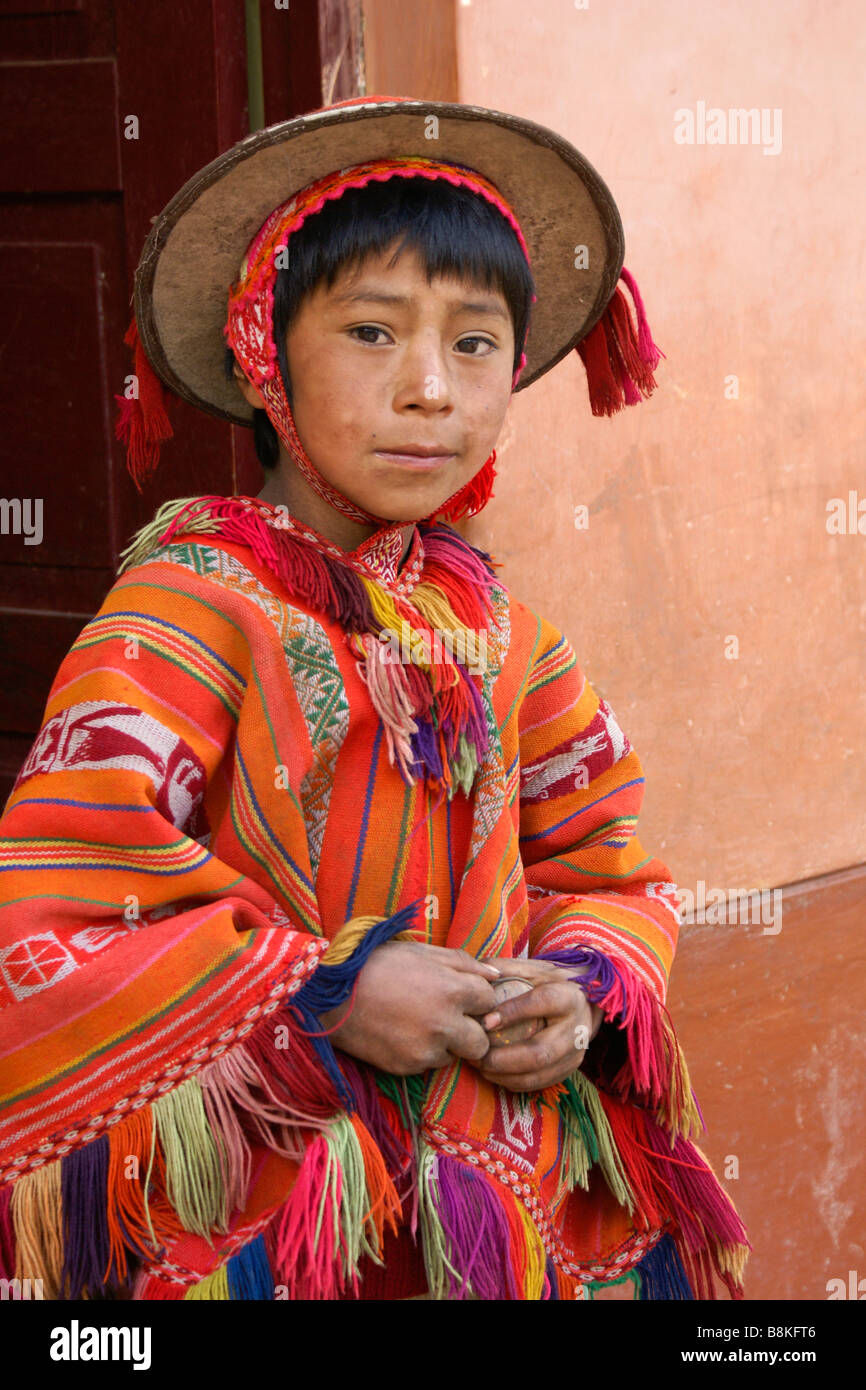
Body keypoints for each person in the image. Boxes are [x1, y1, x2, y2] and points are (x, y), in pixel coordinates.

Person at [0, 95, 750, 1301]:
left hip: (512, 1210)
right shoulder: (189, 613)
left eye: (471, 343)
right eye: (369, 332)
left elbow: (604, 864)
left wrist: (580, 990)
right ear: (263, 350)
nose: (429, 390)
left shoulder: (512, 637)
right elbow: (57, 910)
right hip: (280, 1221)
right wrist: (324, 991)